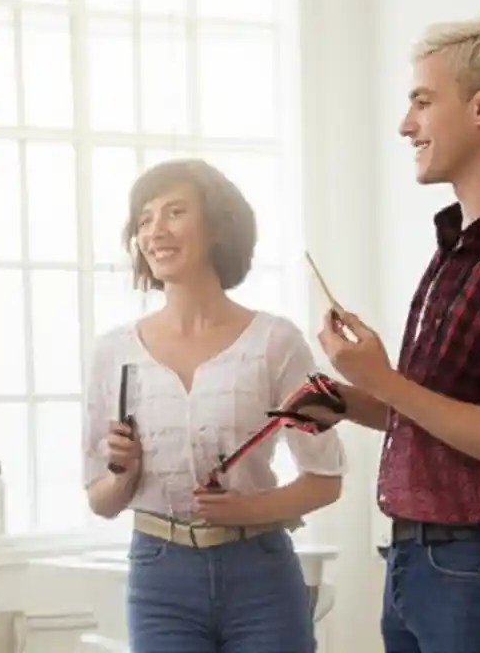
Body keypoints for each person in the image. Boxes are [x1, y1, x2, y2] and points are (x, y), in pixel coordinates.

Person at [318, 11, 480, 652]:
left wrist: (384, 380)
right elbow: (442, 417)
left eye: (422, 102)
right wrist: (348, 398)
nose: (406, 124)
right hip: (419, 563)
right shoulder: (460, 246)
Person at [82, 158, 347, 653]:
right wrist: (123, 475)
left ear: (218, 228)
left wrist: (250, 509)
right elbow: (100, 501)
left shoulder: (280, 341)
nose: (155, 230)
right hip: (159, 578)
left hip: (261, 575)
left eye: (175, 212)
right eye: (144, 219)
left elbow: (326, 479)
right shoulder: (112, 352)